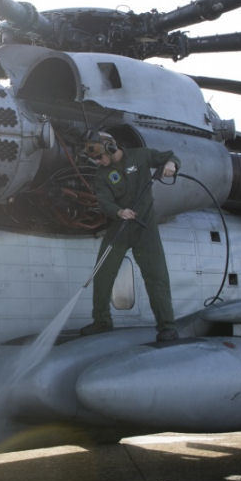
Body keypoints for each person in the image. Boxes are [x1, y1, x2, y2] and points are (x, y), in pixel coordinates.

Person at [79, 132, 180, 342]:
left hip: (145, 229)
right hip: (120, 227)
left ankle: (167, 326)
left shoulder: (140, 156)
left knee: (156, 277)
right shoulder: (101, 175)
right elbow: (104, 201)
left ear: (111, 147)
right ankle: (102, 322)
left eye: (99, 156)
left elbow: (169, 155)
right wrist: (118, 211)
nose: (97, 162)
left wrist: (172, 164)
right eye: (94, 159)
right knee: (103, 274)